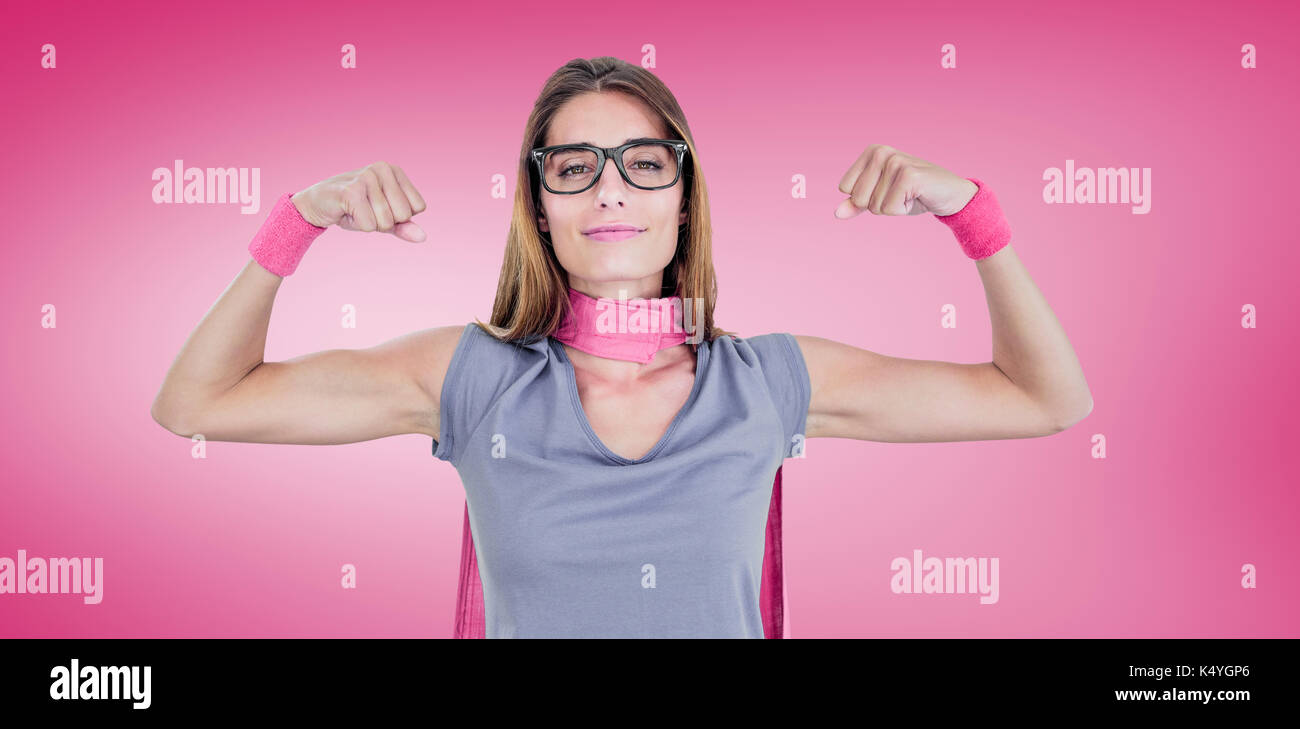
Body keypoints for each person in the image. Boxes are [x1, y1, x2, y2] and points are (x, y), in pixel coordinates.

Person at [151, 56, 1092, 638]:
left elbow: (1044, 399)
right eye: (573, 168)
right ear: (541, 208)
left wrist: (974, 215)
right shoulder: (468, 377)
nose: (610, 192)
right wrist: (297, 224)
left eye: (644, 164)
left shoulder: (767, 382)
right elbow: (197, 403)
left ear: (683, 201)